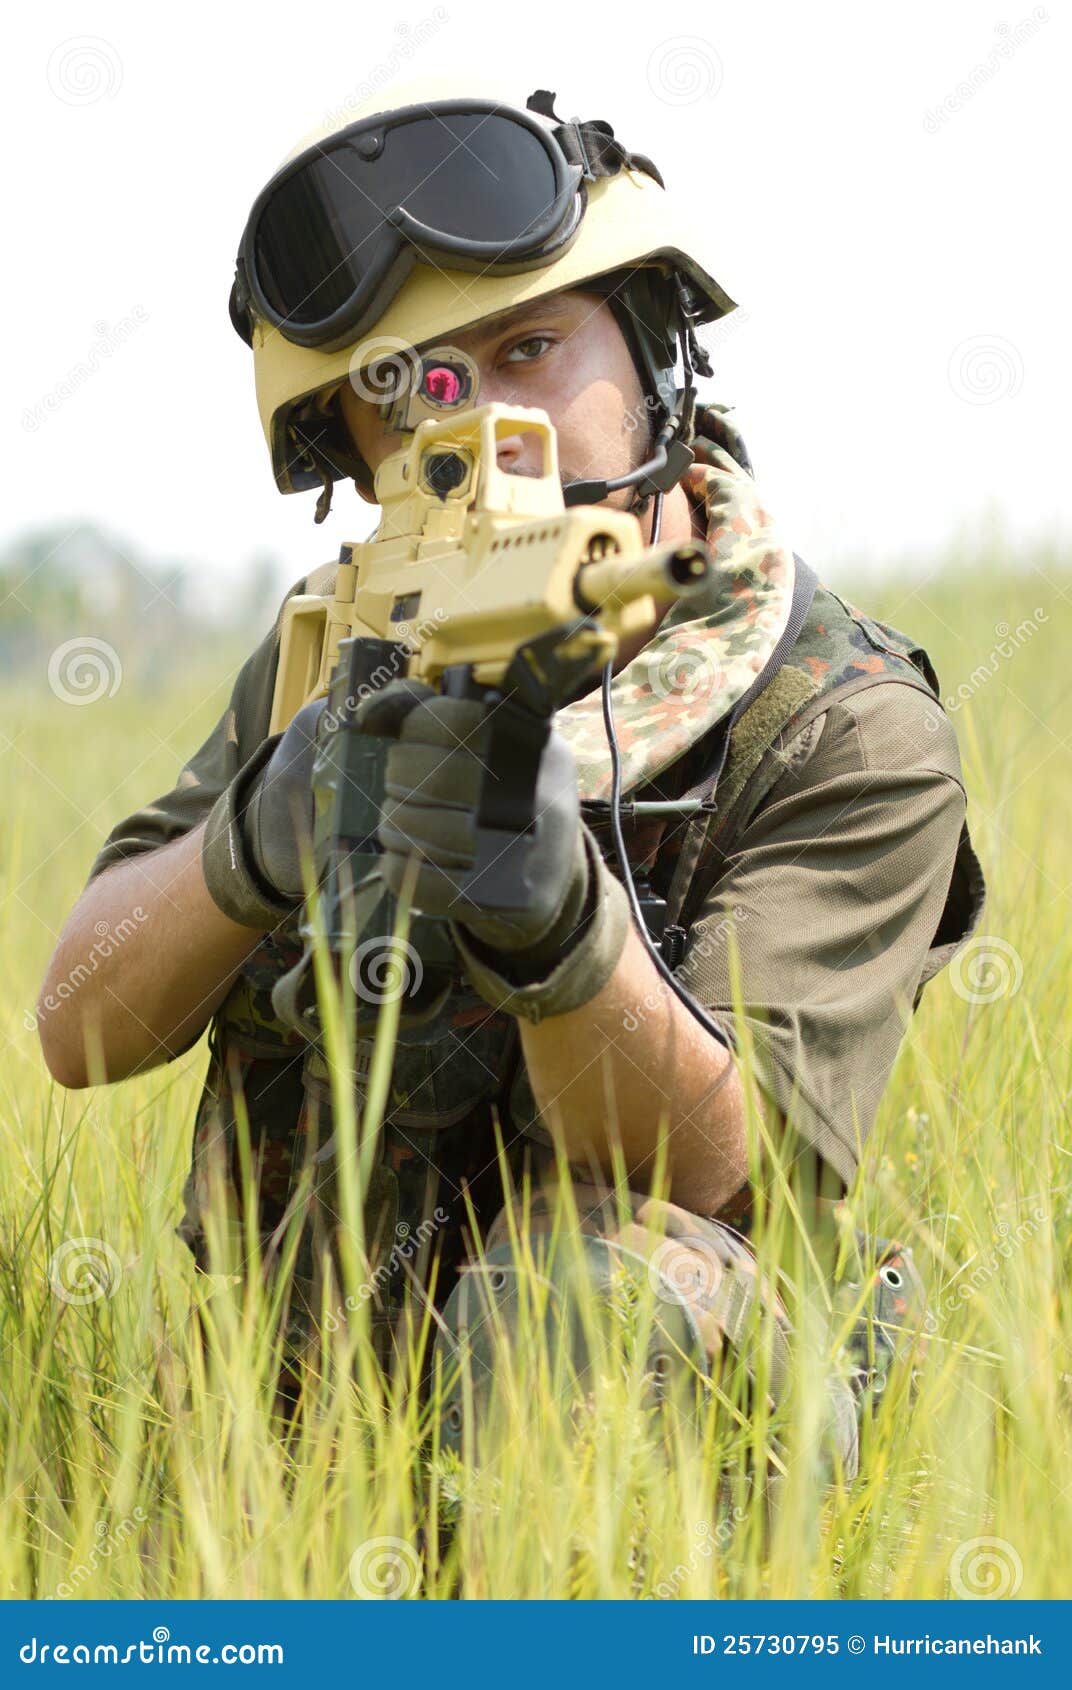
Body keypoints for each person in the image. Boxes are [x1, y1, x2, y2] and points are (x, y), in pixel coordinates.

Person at [37, 81, 985, 1467]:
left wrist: (558, 928)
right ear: (350, 448)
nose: (479, 420)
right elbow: (79, 1027)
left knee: (593, 1298)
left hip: (647, 1437)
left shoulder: (838, 722)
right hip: (306, 1444)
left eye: (532, 348)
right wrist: (255, 839)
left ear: (656, 356)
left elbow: (735, 1165)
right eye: (406, 389)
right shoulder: (337, 647)